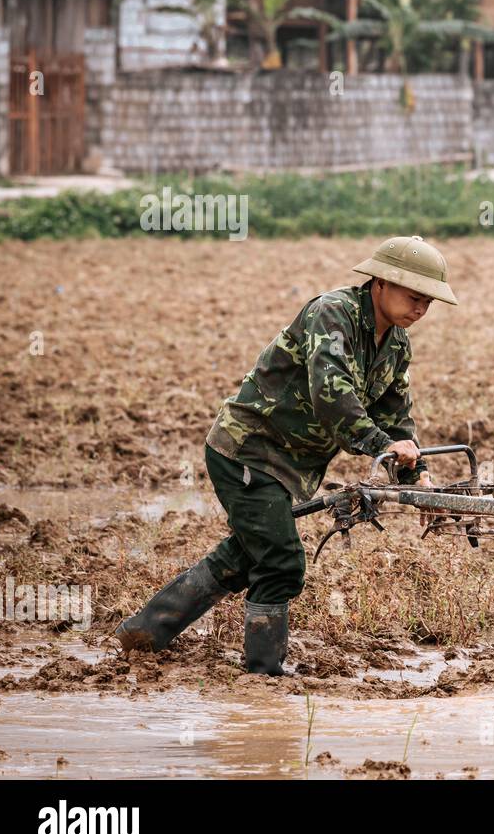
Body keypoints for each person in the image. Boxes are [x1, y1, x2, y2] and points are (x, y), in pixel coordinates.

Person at [115, 236, 458, 674]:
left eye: (428, 302)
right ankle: (263, 676)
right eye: (414, 297)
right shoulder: (332, 314)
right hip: (249, 450)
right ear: (381, 282)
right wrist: (380, 446)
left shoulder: (395, 345)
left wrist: (417, 478)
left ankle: (141, 636)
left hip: (292, 465)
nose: (420, 310)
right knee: (281, 561)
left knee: (247, 554)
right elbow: (332, 397)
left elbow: (397, 418)